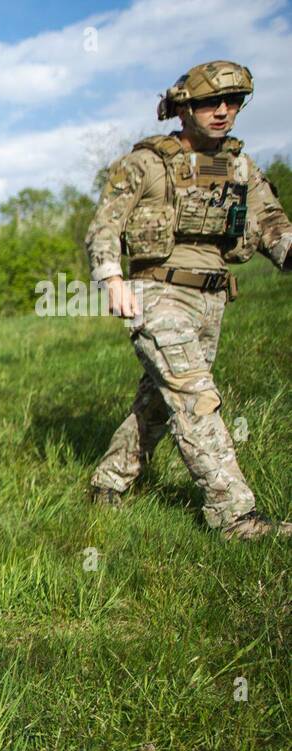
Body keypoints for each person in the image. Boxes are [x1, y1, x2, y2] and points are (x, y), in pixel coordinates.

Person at [86, 61, 292, 539]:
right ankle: (234, 516)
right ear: (184, 107)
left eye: (233, 102)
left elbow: (272, 225)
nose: (223, 111)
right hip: (155, 293)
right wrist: (111, 278)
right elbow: (104, 226)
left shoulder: (238, 167)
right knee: (196, 398)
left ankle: (109, 482)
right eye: (210, 102)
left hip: (211, 299)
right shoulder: (147, 163)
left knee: (161, 401)